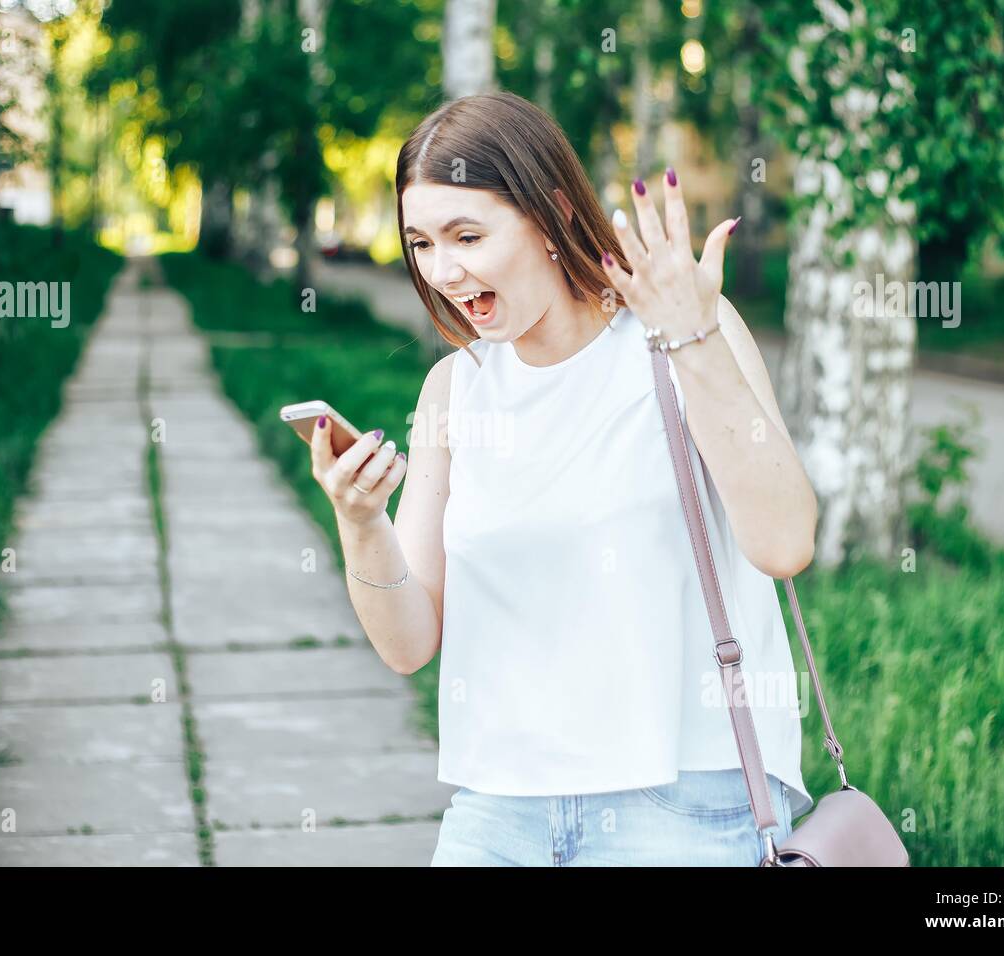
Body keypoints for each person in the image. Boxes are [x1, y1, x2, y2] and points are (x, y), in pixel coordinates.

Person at [307, 91, 819, 866]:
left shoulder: (678, 341)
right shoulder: (455, 389)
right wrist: (361, 521)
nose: (443, 271)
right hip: (499, 806)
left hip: (686, 801)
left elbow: (786, 544)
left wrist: (693, 335)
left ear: (549, 218)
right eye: (420, 243)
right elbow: (408, 644)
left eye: (467, 235)